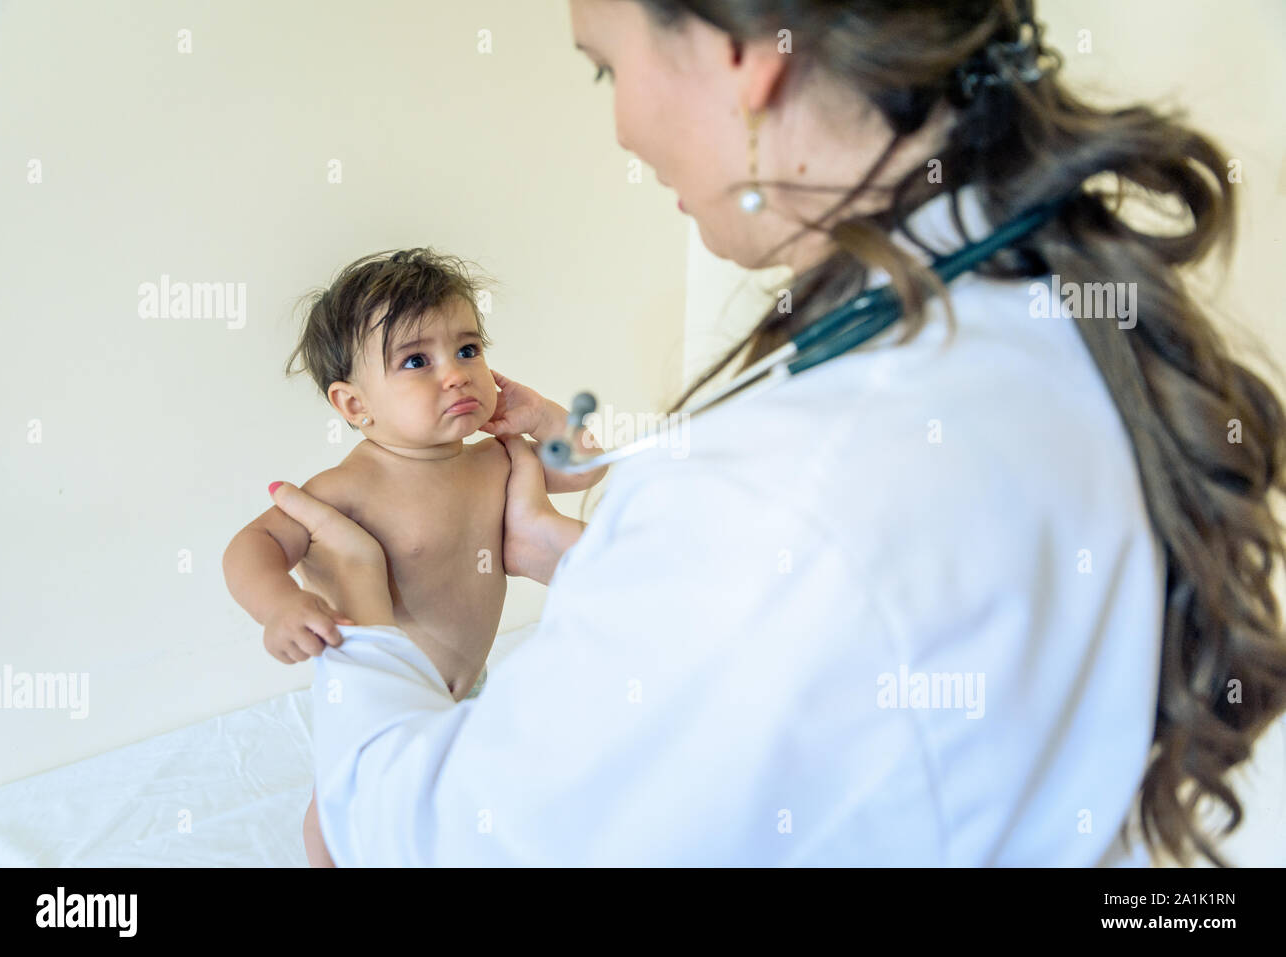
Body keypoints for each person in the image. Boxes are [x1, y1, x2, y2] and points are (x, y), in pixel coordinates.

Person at [267, 0, 1286, 866]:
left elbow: (446, 839)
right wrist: (567, 553)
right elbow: (815, 661)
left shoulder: (783, 495)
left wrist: (358, 612)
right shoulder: (1036, 310)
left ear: (738, 59)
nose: (621, 126)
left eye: (604, 69)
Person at [221, 248, 605, 866]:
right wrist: (281, 605)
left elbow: (585, 467)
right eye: (416, 360)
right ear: (354, 405)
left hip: (469, 687)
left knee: (467, 804)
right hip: (378, 694)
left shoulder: (498, 459)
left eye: (469, 350)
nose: (454, 373)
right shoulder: (345, 489)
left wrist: (542, 416)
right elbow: (252, 545)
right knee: (340, 818)